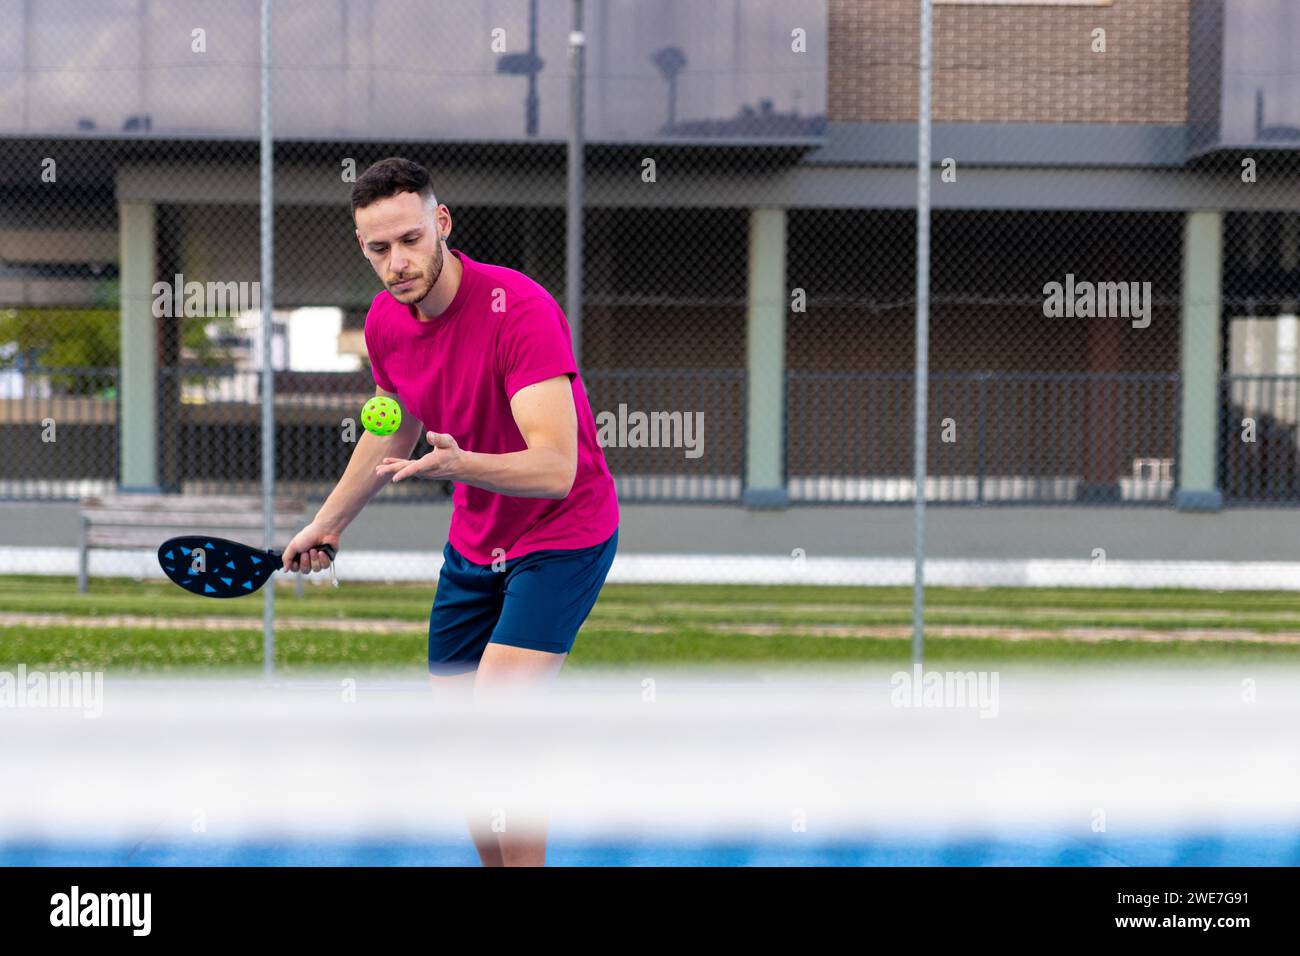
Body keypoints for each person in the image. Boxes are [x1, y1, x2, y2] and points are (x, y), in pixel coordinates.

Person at [283, 157, 620, 866]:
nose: (397, 262)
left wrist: (460, 463)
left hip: (563, 534)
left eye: (410, 239)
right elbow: (394, 421)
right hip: (475, 541)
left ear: (441, 224)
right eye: (379, 249)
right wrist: (331, 521)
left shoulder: (519, 309)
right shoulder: (383, 322)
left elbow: (556, 468)